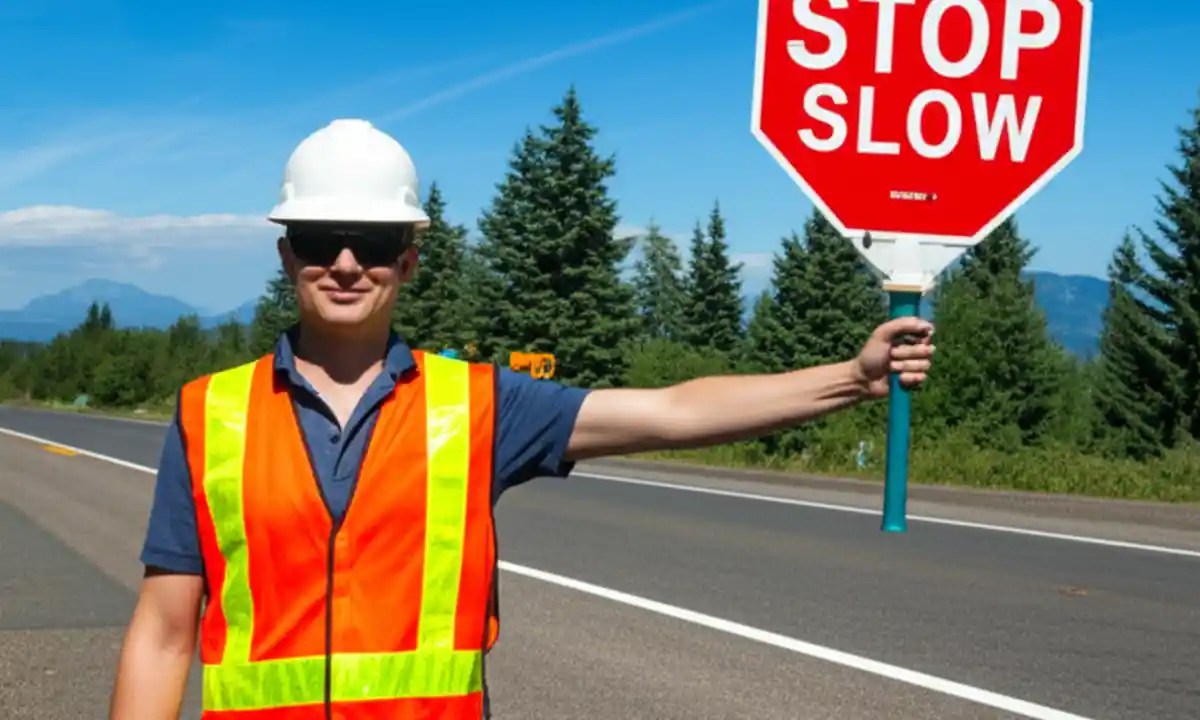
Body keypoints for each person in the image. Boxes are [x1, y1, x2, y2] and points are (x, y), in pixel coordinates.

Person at [108, 118, 935, 720]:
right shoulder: (208, 413)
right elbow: (163, 634)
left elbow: (672, 411)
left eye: (373, 238)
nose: (348, 261)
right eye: (323, 236)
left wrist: (849, 380)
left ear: (410, 257)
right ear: (287, 252)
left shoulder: (478, 404)